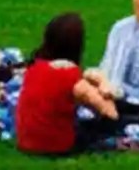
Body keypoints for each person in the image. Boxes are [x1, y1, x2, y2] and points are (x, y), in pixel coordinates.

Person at [16, 13, 118, 156]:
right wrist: (104, 84)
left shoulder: (34, 67)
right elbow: (110, 113)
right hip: (57, 146)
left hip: (26, 141)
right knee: (103, 125)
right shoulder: (70, 76)